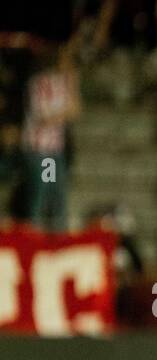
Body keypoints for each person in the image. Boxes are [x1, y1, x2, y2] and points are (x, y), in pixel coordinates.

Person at [21, 43, 80, 231]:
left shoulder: (63, 85)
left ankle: (57, 240)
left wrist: (73, 84)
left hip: (53, 151)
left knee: (56, 193)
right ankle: (33, 239)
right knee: (41, 194)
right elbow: (43, 117)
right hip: (40, 150)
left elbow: (76, 110)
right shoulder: (40, 83)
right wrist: (65, 112)